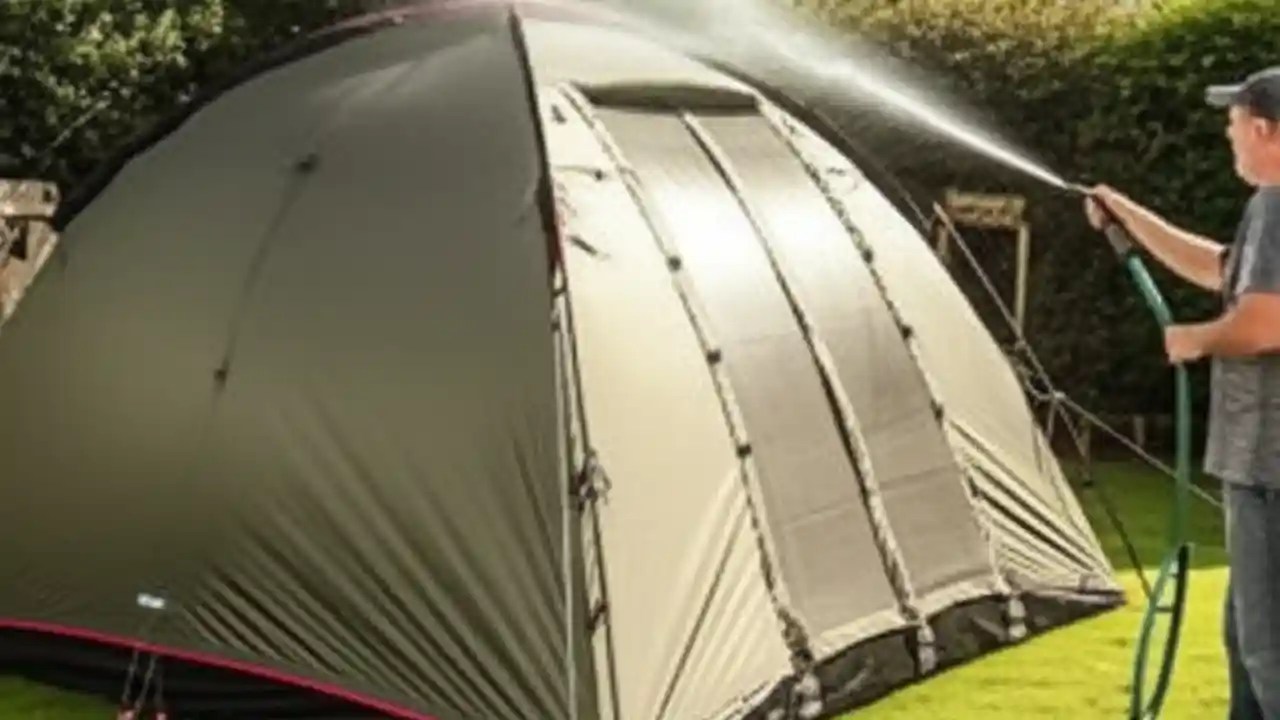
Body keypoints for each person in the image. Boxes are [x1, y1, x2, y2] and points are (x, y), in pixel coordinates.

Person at [1085, 66, 1280, 719]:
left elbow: (1264, 324)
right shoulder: (1267, 211)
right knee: (1247, 647)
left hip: (1270, 468)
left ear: (1263, 129)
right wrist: (1128, 215)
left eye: (1232, 121)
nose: (1227, 134)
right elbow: (1221, 271)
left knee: (1269, 655)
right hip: (1258, 465)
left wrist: (1194, 340)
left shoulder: (1279, 204)